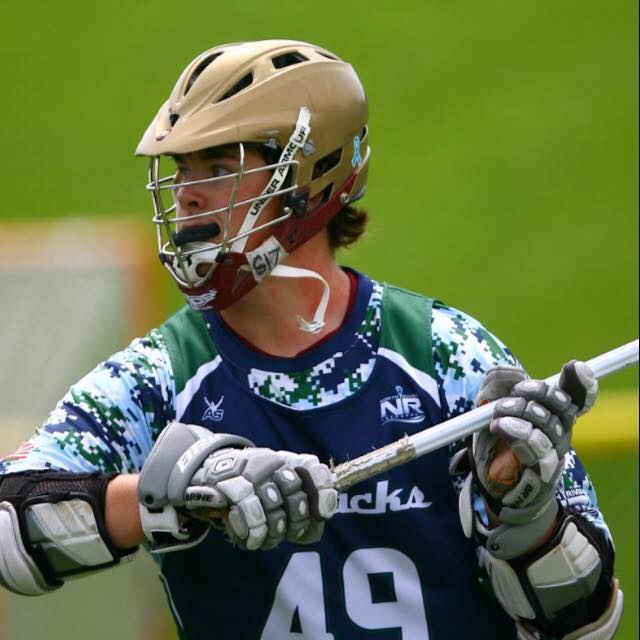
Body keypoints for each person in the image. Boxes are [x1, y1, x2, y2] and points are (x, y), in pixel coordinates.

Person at [0, 39, 622, 639]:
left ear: (310, 181)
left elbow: (586, 621)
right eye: (183, 169)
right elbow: (9, 523)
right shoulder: (160, 376)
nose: (186, 196)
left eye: (218, 168)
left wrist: (526, 515)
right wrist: (173, 495)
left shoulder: (445, 353)